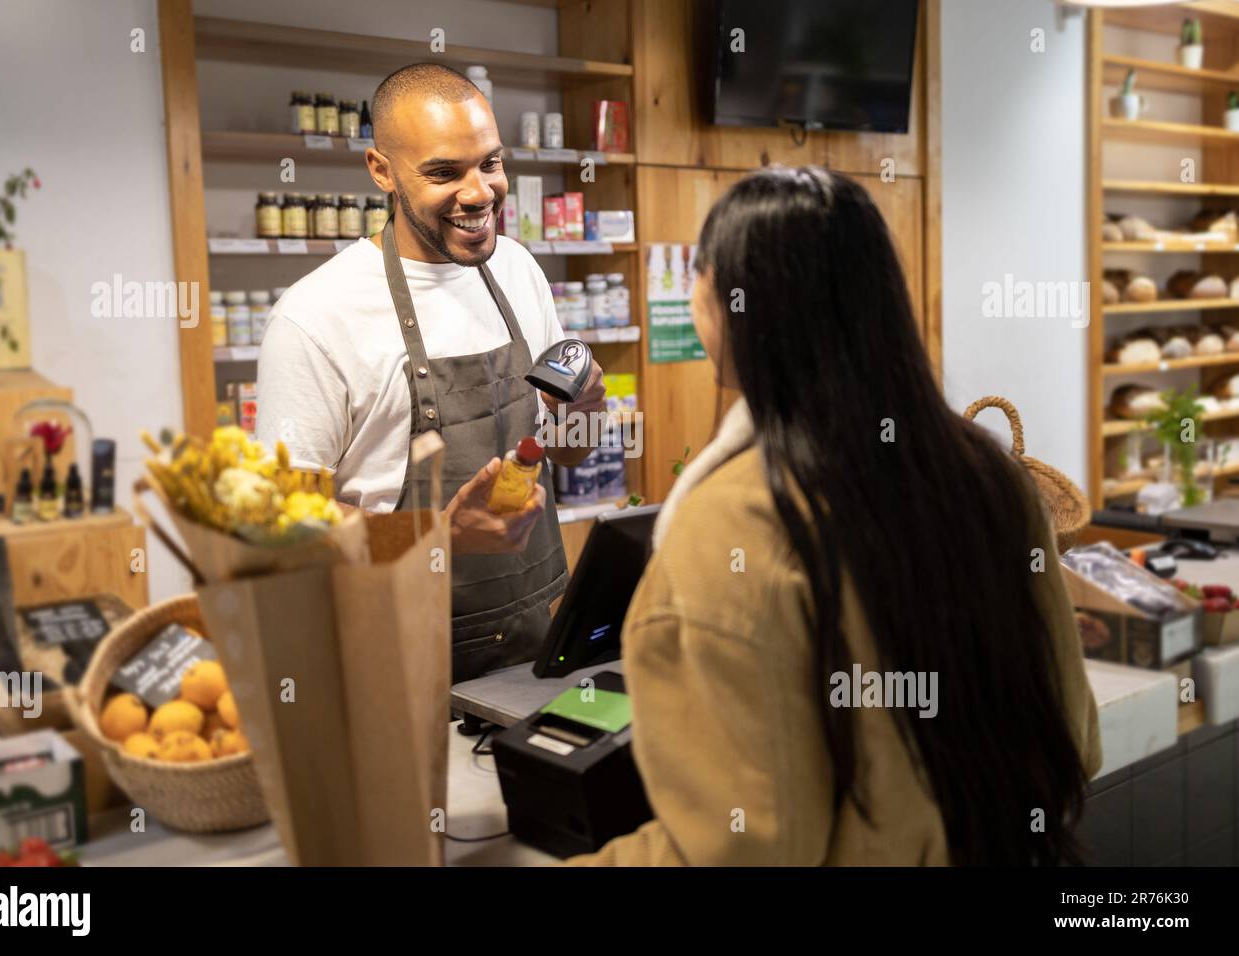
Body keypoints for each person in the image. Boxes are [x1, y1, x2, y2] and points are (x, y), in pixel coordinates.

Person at [567, 166, 1102, 866]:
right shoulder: (988, 473)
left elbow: (748, 846)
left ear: (726, 303)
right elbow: (1075, 738)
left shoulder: (733, 525)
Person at [256, 64, 605, 682]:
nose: (479, 193)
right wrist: (440, 535)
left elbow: (569, 457)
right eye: (445, 172)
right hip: (392, 649)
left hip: (533, 633)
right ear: (381, 170)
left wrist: (586, 414)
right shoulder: (316, 317)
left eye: (490, 164)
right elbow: (290, 531)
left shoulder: (520, 271)